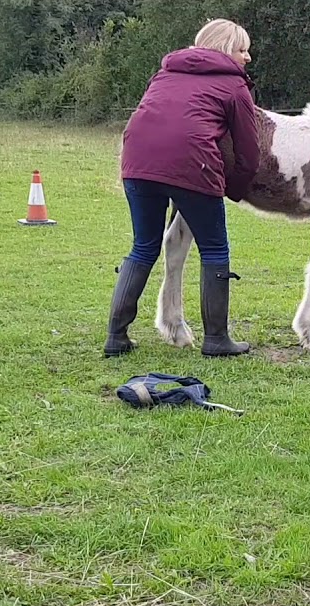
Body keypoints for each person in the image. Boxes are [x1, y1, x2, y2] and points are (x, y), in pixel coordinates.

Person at [105, 19, 260, 358]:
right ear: (224, 49)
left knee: (143, 247)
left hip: (136, 162)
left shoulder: (164, 74)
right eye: (242, 49)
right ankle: (216, 339)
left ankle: (116, 337)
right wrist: (233, 188)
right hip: (193, 165)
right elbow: (249, 153)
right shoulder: (234, 86)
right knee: (214, 249)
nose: (247, 57)